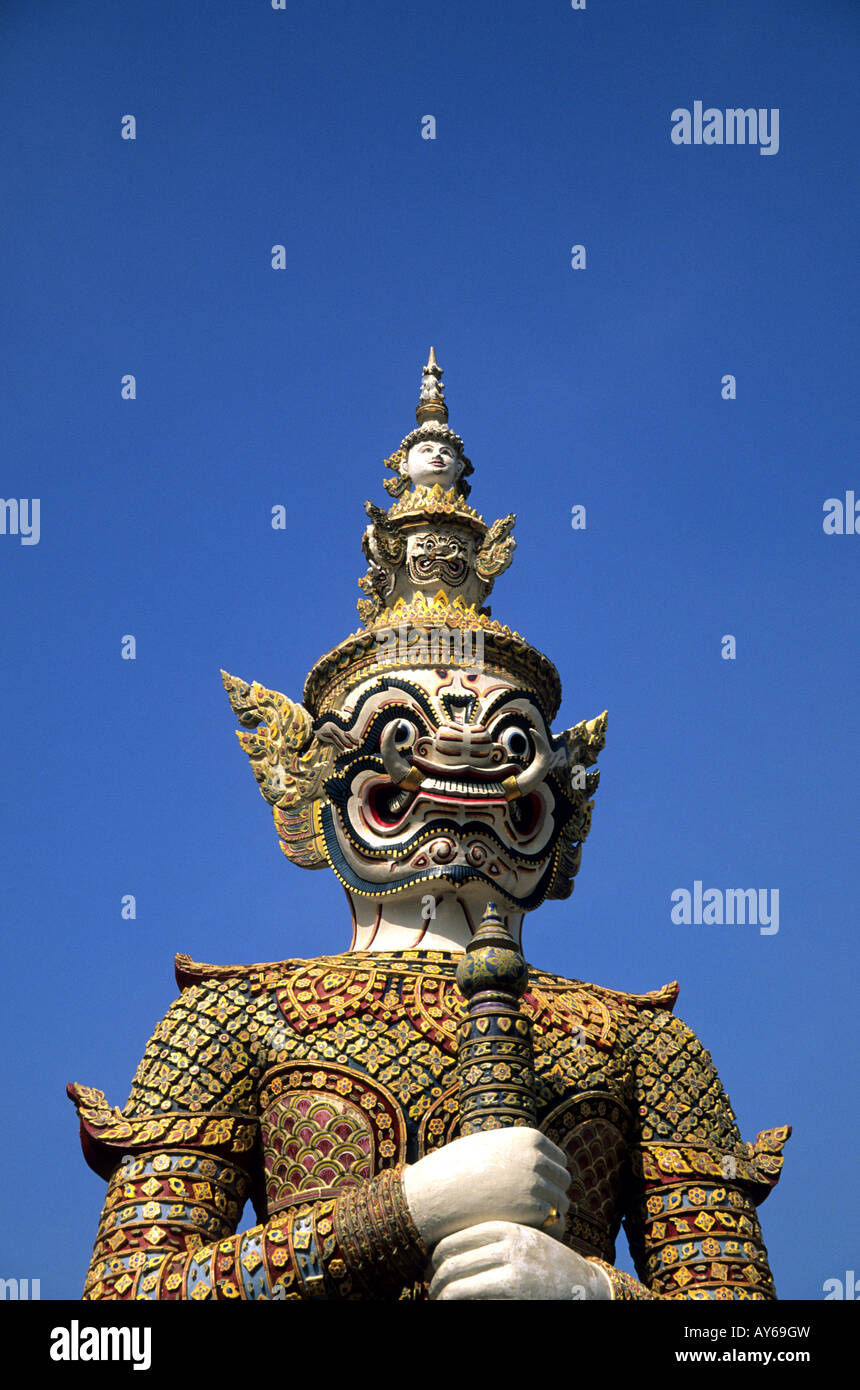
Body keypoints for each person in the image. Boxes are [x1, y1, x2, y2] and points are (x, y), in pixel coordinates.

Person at [69, 353, 789, 1300]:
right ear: (312, 784)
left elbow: (758, 1341)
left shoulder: (643, 1045)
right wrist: (406, 1208)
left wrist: (588, 1291)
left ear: (556, 805)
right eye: (404, 733)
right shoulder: (231, 1023)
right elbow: (111, 1329)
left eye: (505, 740)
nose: (459, 758)